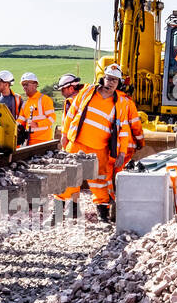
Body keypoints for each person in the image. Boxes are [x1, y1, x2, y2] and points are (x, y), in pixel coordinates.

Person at [60, 63, 142, 222]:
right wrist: (64, 133)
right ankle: (61, 211)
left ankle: (103, 214)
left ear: (119, 84)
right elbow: (72, 112)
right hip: (77, 143)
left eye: (115, 81)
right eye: (109, 79)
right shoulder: (87, 92)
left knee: (99, 182)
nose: (111, 83)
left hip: (100, 148)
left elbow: (124, 130)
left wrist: (122, 152)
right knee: (68, 176)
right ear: (103, 78)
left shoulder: (121, 103)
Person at [52, 73, 88, 221]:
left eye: (63, 89)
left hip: (73, 142)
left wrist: (64, 138)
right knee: (76, 177)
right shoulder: (85, 99)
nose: (62, 93)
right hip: (83, 143)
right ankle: (74, 209)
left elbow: (68, 122)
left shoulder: (70, 101)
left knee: (64, 176)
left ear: (70, 87)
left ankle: (58, 212)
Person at [16, 72, 57, 145]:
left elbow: (52, 118)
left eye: (26, 84)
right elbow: (20, 122)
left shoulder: (45, 99)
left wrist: (37, 124)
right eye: (23, 85)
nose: (24, 87)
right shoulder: (25, 104)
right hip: (29, 142)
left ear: (35, 84)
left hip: (44, 142)